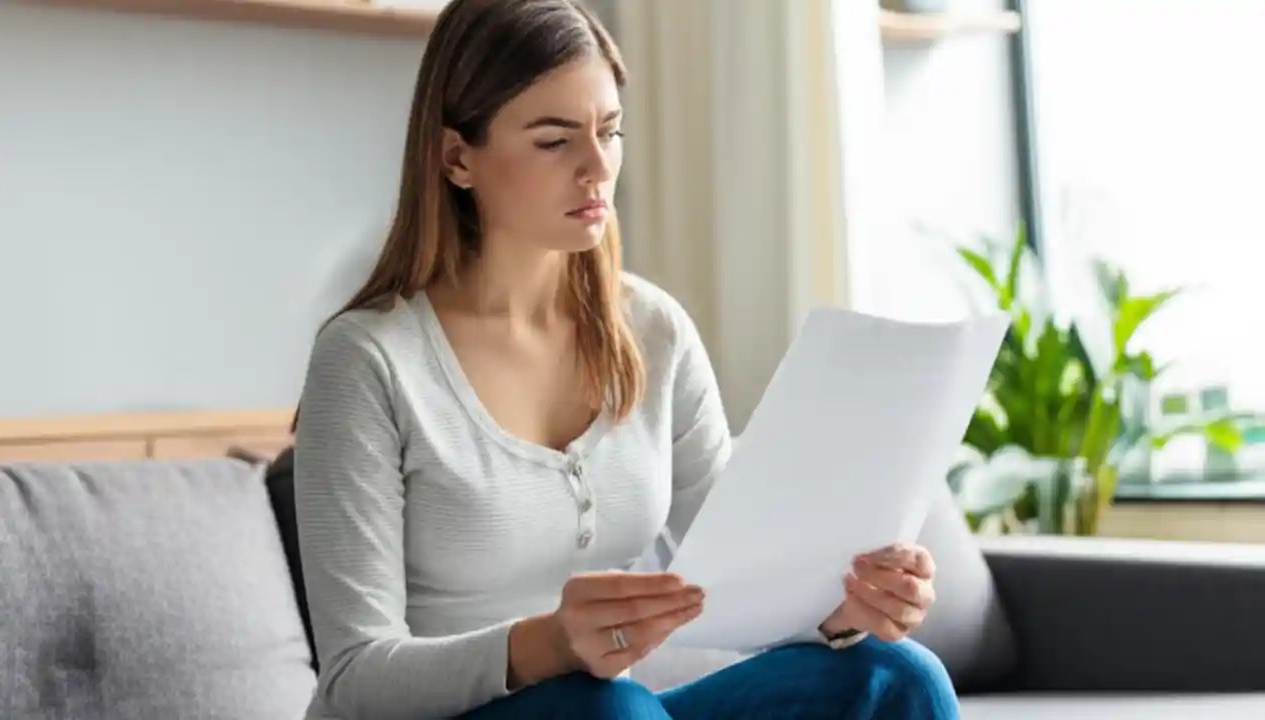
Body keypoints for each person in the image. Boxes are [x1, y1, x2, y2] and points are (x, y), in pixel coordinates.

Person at [293, 1, 959, 717]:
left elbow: (749, 586)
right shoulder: (368, 361)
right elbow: (356, 679)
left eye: (609, 132)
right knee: (611, 708)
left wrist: (847, 608)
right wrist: (549, 644)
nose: (595, 168)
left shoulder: (652, 331)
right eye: (554, 141)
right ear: (458, 157)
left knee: (895, 675)